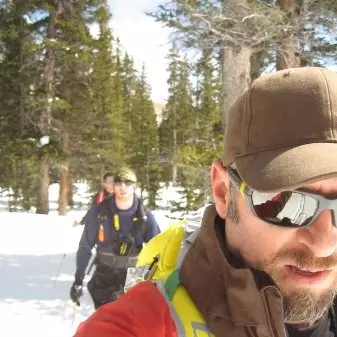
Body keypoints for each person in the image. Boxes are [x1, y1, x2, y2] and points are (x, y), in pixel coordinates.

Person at [74, 67, 337, 337]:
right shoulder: (135, 328)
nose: (324, 244)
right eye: (287, 203)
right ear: (223, 191)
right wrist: (79, 277)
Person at [70, 167, 161, 309]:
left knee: (131, 324)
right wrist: (78, 280)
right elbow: (85, 247)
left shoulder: (145, 216)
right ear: (114, 186)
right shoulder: (99, 212)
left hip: (133, 277)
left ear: (134, 186)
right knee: (106, 324)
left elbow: (159, 251)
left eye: (128, 183)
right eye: (119, 183)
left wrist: (158, 282)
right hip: (105, 275)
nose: (123, 187)